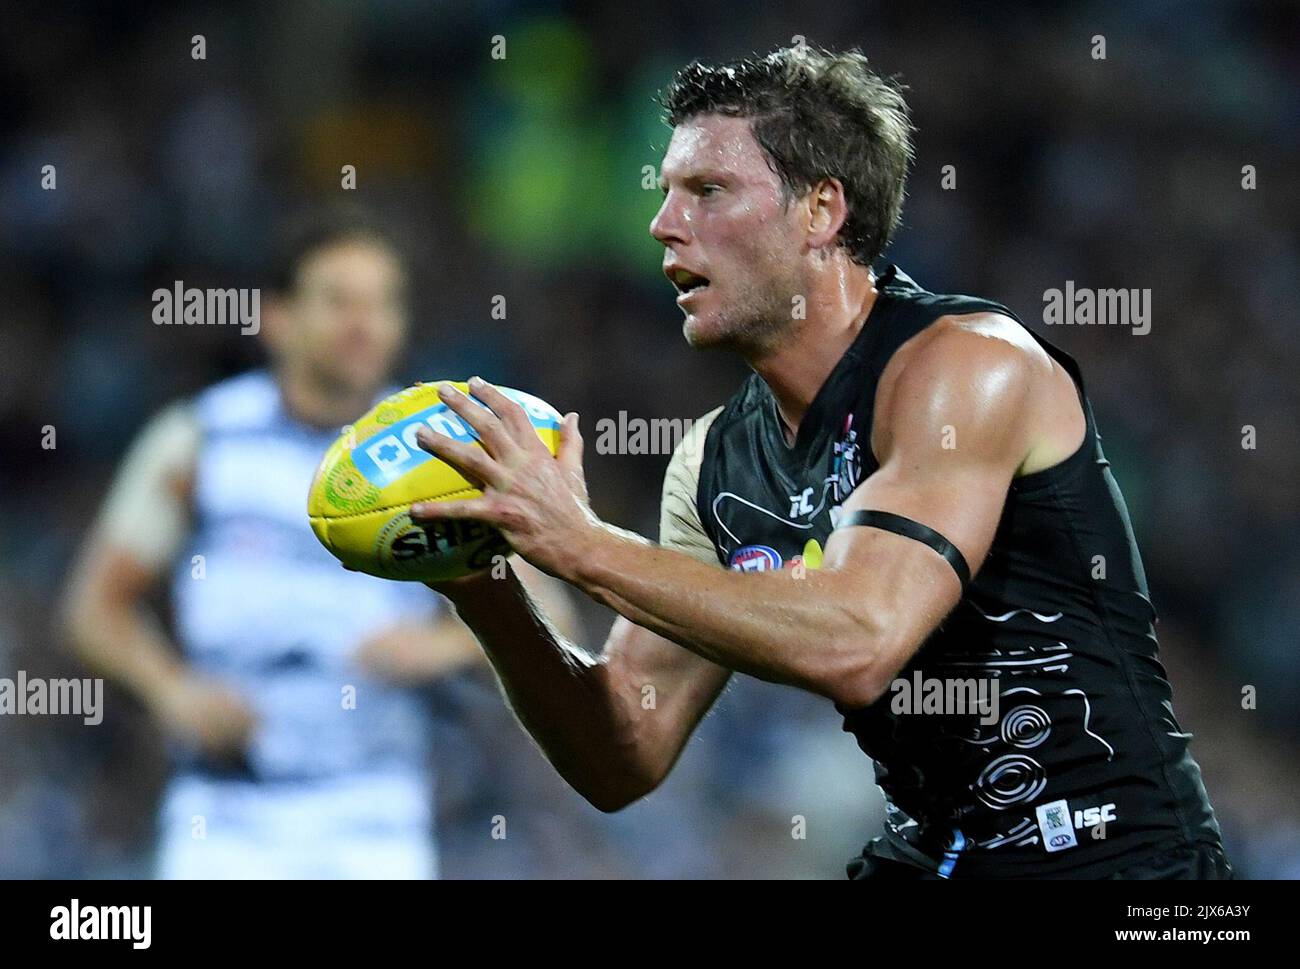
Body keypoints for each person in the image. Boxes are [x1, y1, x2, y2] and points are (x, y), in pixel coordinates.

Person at [404, 48, 1230, 879]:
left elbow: (860, 640)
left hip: (1125, 865)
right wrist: (485, 579)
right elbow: (625, 748)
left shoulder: (964, 367)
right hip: (938, 856)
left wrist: (580, 543)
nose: (662, 222)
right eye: (664, 192)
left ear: (821, 210)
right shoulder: (714, 464)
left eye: (708, 191)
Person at [62, 212, 571, 879]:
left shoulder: (444, 447)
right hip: (224, 811)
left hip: (374, 809)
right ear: (277, 318)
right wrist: (174, 691)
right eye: (337, 300)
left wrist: (439, 647)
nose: (364, 323)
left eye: (382, 303)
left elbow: (554, 623)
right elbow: (92, 608)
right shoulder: (200, 440)